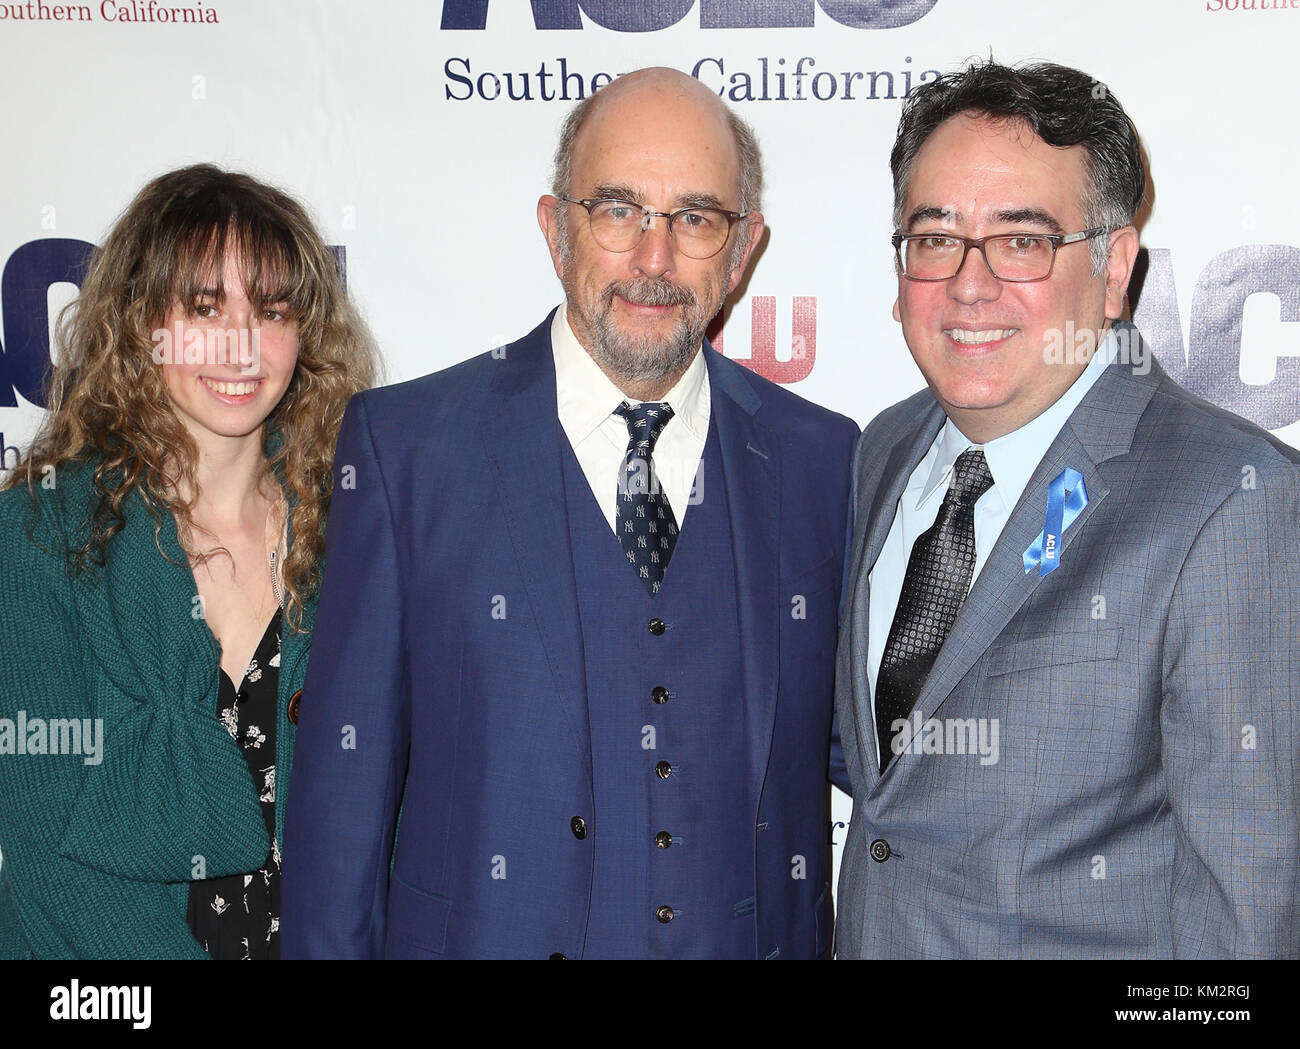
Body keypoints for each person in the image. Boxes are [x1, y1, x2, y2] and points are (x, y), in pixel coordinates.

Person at [282, 67, 859, 959]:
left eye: (696, 218)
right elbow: (339, 811)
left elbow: (862, 744)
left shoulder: (823, 459)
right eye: (618, 210)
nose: (654, 259)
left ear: (743, 252)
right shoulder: (408, 451)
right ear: (557, 230)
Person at [834, 59, 1300, 958]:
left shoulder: (1235, 503)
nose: (969, 284)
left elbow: (1255, 922)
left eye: (1022, 240)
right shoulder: (881, 451)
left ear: (1115, 266)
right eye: (935, 237)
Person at [0, 164, 379, 959]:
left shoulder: (359, 532)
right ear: (141, 325)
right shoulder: (36, 536)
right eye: (205, 308)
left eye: (271, 309)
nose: (242, 344)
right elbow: (48, 860)